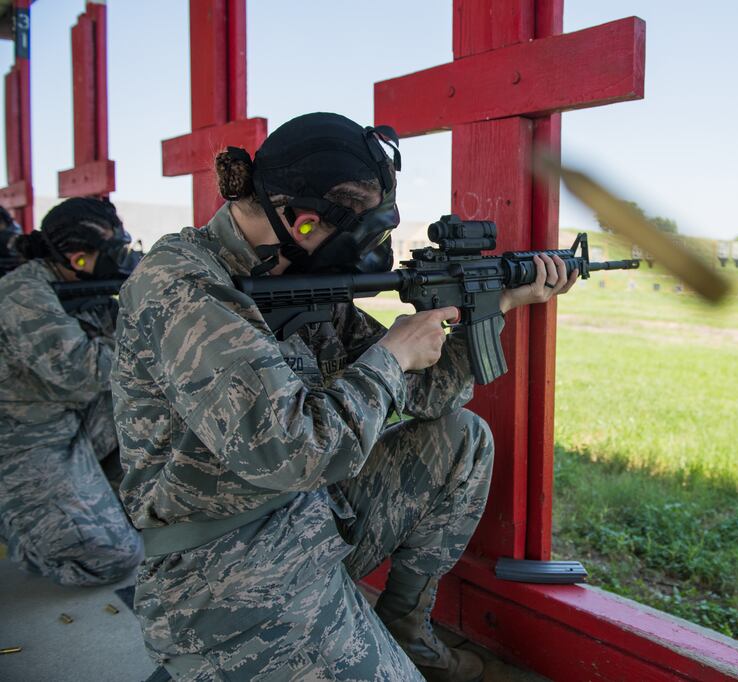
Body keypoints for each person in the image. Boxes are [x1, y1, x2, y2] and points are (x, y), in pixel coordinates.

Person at [113, 112, 576, 681]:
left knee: (461, 437)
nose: (371, 251)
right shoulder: (183, 286)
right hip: (220, 567)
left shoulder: (297, 271)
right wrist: (393, 354)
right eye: (364, 233)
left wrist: (492, 306)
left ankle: (404, 632)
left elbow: (425, 394)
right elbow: (293, 449)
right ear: (302, 221)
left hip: (309, 516)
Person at [0, 197, 143, 585]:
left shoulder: (86, 284)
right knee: (117, 558)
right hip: (29, 439)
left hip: (78, 421)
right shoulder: (22, 294)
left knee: (159, 401)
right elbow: (84, 369)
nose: (122, 257)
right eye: (113, 250)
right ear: (78, 258)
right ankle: (21, 523)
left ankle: (94, 497)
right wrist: (155, 327)